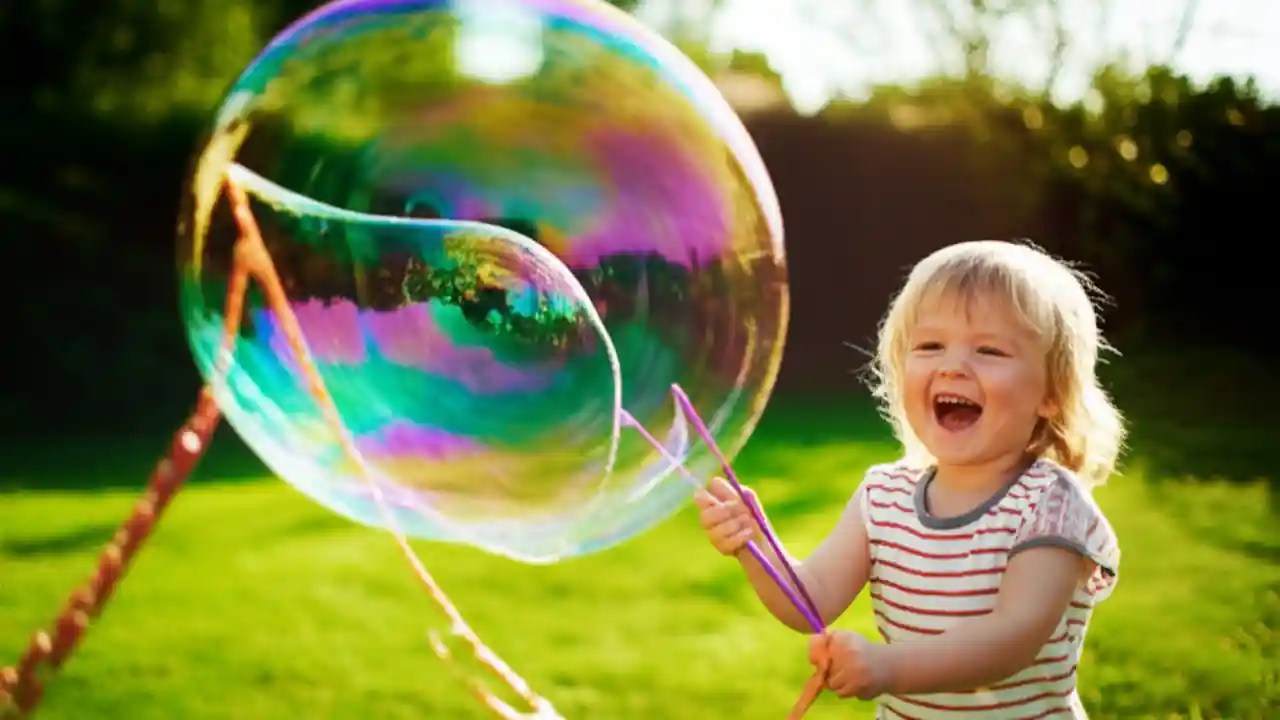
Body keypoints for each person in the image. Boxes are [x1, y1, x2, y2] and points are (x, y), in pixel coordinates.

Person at [696, 240, 1124, 718]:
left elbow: (1012, 639)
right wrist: (754, 543)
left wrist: (889, 666)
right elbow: (810, 599)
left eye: (989, 350)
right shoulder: (884, 495)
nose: (952, 365)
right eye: (930, 346)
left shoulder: (1049, 506)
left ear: (1051, 393)